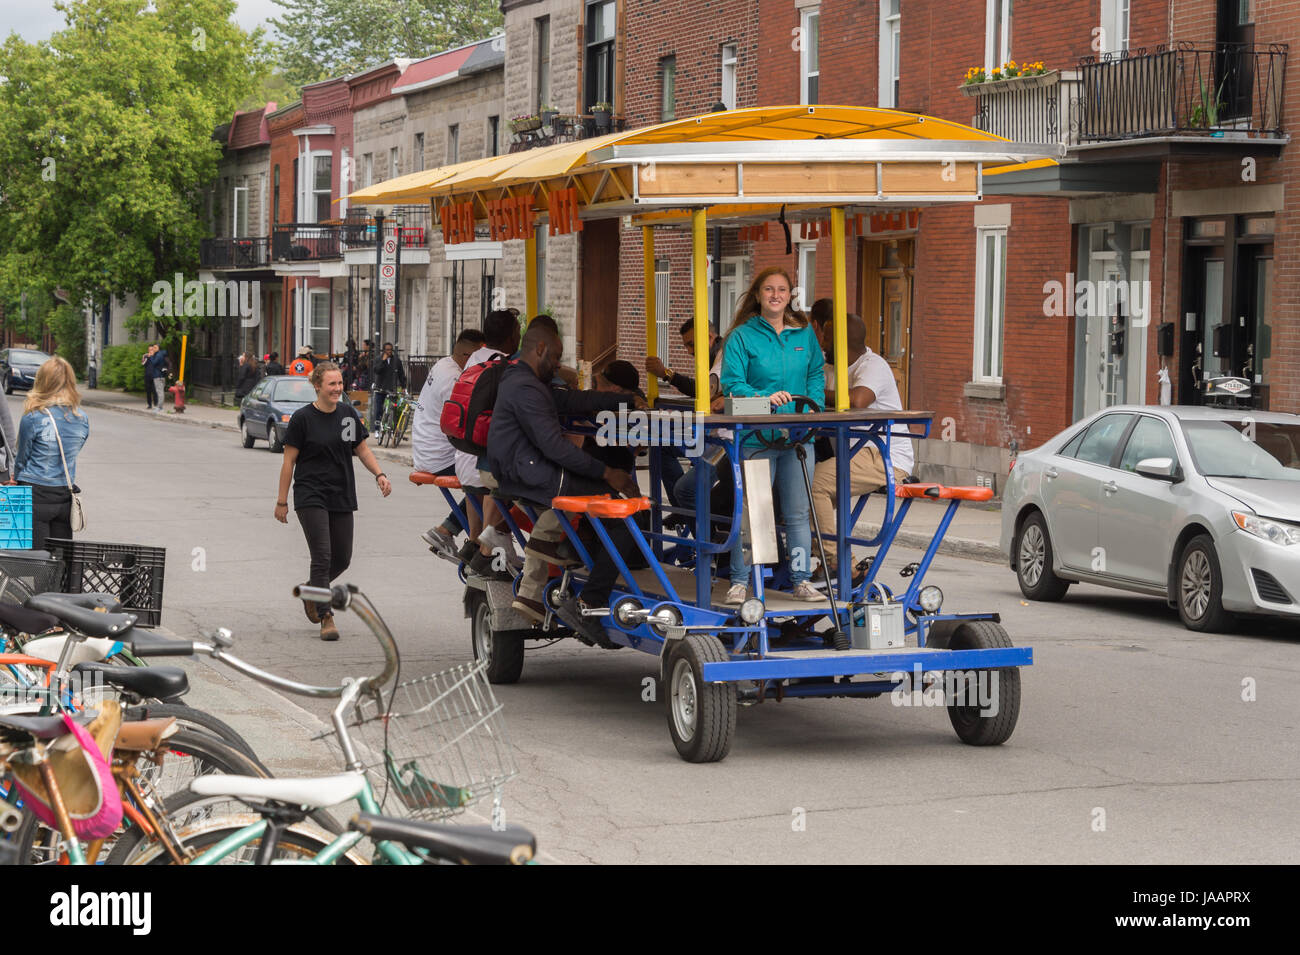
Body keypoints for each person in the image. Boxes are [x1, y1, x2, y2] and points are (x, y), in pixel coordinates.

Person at [486, 322, 640, 644]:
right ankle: (589, 602)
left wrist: (621, 402)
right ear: (539, 349)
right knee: (622, 509)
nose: (559, 365)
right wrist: (606, 473)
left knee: (607, 495)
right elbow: (554, 446)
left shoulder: (525, 379)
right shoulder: (526, 387)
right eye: (555, 357)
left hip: (527, 470)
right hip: (531, 475)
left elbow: (572, 402)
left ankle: (564, 547)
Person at [720, 265, 826, 605]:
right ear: (757, 295)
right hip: (756, 438)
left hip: (797, 438)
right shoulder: (741, 336)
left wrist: (812, 408)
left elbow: (815, 375)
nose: (776, 295)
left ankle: (801, 580)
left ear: (790, 295)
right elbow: (732, 383)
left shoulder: (804, 333)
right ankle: (739, 581)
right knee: (756, 513)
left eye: (782, 289)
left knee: (797, 514)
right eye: (769, 290)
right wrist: (762, 400)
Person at [274, 361, 392, 640]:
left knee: (342, 558)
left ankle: (312, 589)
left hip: (341, 493)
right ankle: (326, 616)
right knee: (323, 556)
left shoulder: (347, 415)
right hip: (310, 494)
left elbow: (361, 449)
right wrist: (281, 501)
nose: (338, 389)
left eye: (340, 383)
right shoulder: (302, 419)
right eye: (332, 384)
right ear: (317, 386)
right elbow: (289, 461)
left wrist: (380, 474)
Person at [811, 313, 914, 577]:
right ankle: (820, 556)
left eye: (827, 340)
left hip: (884, 455)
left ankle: (840, 563)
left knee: (815, 483)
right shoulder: (831, 369)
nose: (822, 345)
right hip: (856, 452)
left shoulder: (873, 365)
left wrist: (814, 394)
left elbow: (858, 400)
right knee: (795, 491)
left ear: (842, 343)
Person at [413, 328, 486, 558]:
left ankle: (450, 530)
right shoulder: (454, 380)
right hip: (439, 454)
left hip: (427, 448)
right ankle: (471, 540)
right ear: (467, 356)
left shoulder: (445, 363)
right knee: (489, 477)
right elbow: (470, 423)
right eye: (478, 358)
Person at [11, 357, 90, 550]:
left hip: (35, 494)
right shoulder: (82, 418)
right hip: (65, 494)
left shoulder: (34, 417)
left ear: (43, 382)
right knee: (60, 561)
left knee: (38, 562)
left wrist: (15, 477)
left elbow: (22, 458)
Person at [370, 342, 407, 431]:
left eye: (390, 349)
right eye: (387, 350)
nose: (389, 351)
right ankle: (377, 429)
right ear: (384, 350)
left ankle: (392, 430)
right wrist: (383, 361)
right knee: (379, 409)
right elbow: (377, 370)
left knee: (393, 409)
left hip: (392, 389)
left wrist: (403, 387)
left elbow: (401, 374)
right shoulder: (378, 359)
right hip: (380, 388)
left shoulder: (396, 361)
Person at [142, 344, 169, 411]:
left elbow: (154, 363)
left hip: (158, 376)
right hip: (157, 375)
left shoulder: (158, 355)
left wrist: (151, 356)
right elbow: (143, 363)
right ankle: (156, 406)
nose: (153, 349)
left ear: (158, 348)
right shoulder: (160, 354)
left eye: (155, 347)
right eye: (152, 348)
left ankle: (159, 407)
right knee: (158, 391)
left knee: (159, 392)